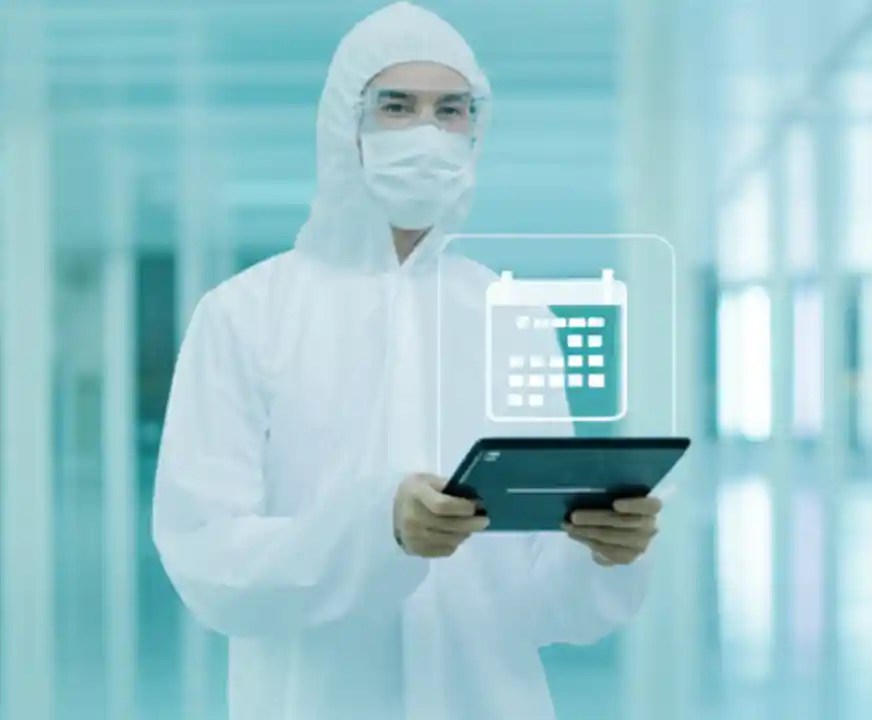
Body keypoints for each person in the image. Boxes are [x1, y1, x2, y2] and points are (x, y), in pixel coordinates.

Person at [151, 4, 662, 719]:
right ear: (344, 126)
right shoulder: (244, 315)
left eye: (450, 110)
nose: (427, 133)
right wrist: (378, 529)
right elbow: (208, 559)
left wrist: (603, 551)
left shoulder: (509, 317)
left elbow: (541, 601)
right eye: (398, 107)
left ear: (475, 130)